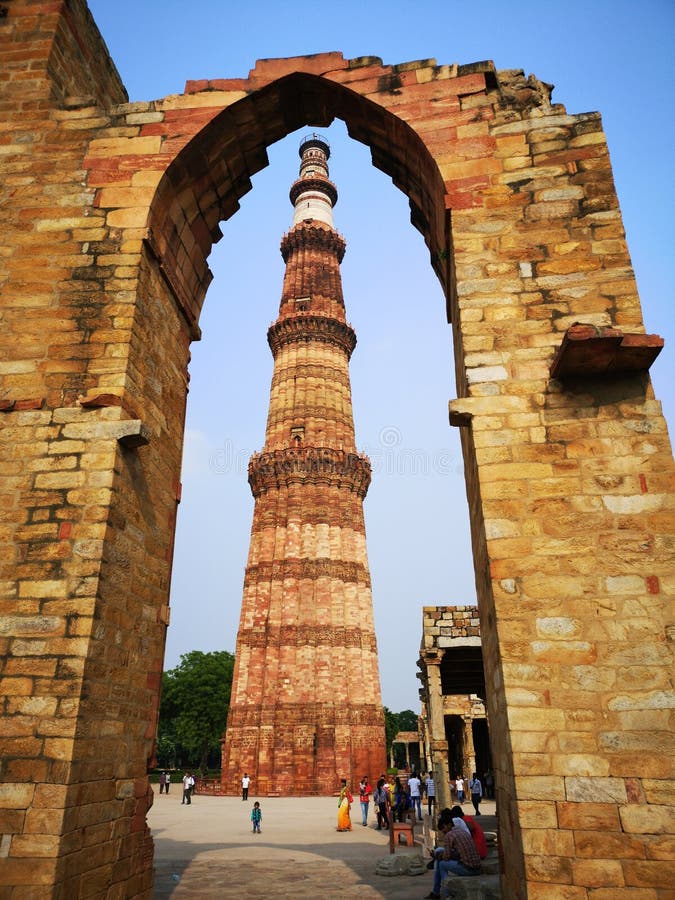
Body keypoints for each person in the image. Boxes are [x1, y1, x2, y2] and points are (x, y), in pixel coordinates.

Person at [424, 817, 481, 898]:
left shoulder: (449, 835)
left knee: (442, 864)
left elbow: (446, 857)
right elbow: (457, 853)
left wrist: (437, 856)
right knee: (440, 857)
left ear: (449, 825)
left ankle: (446, 894)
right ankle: (436, 892)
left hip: (469, 869)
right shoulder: (462, 831)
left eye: (444, 828)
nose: (444, 832)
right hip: (477, 868)